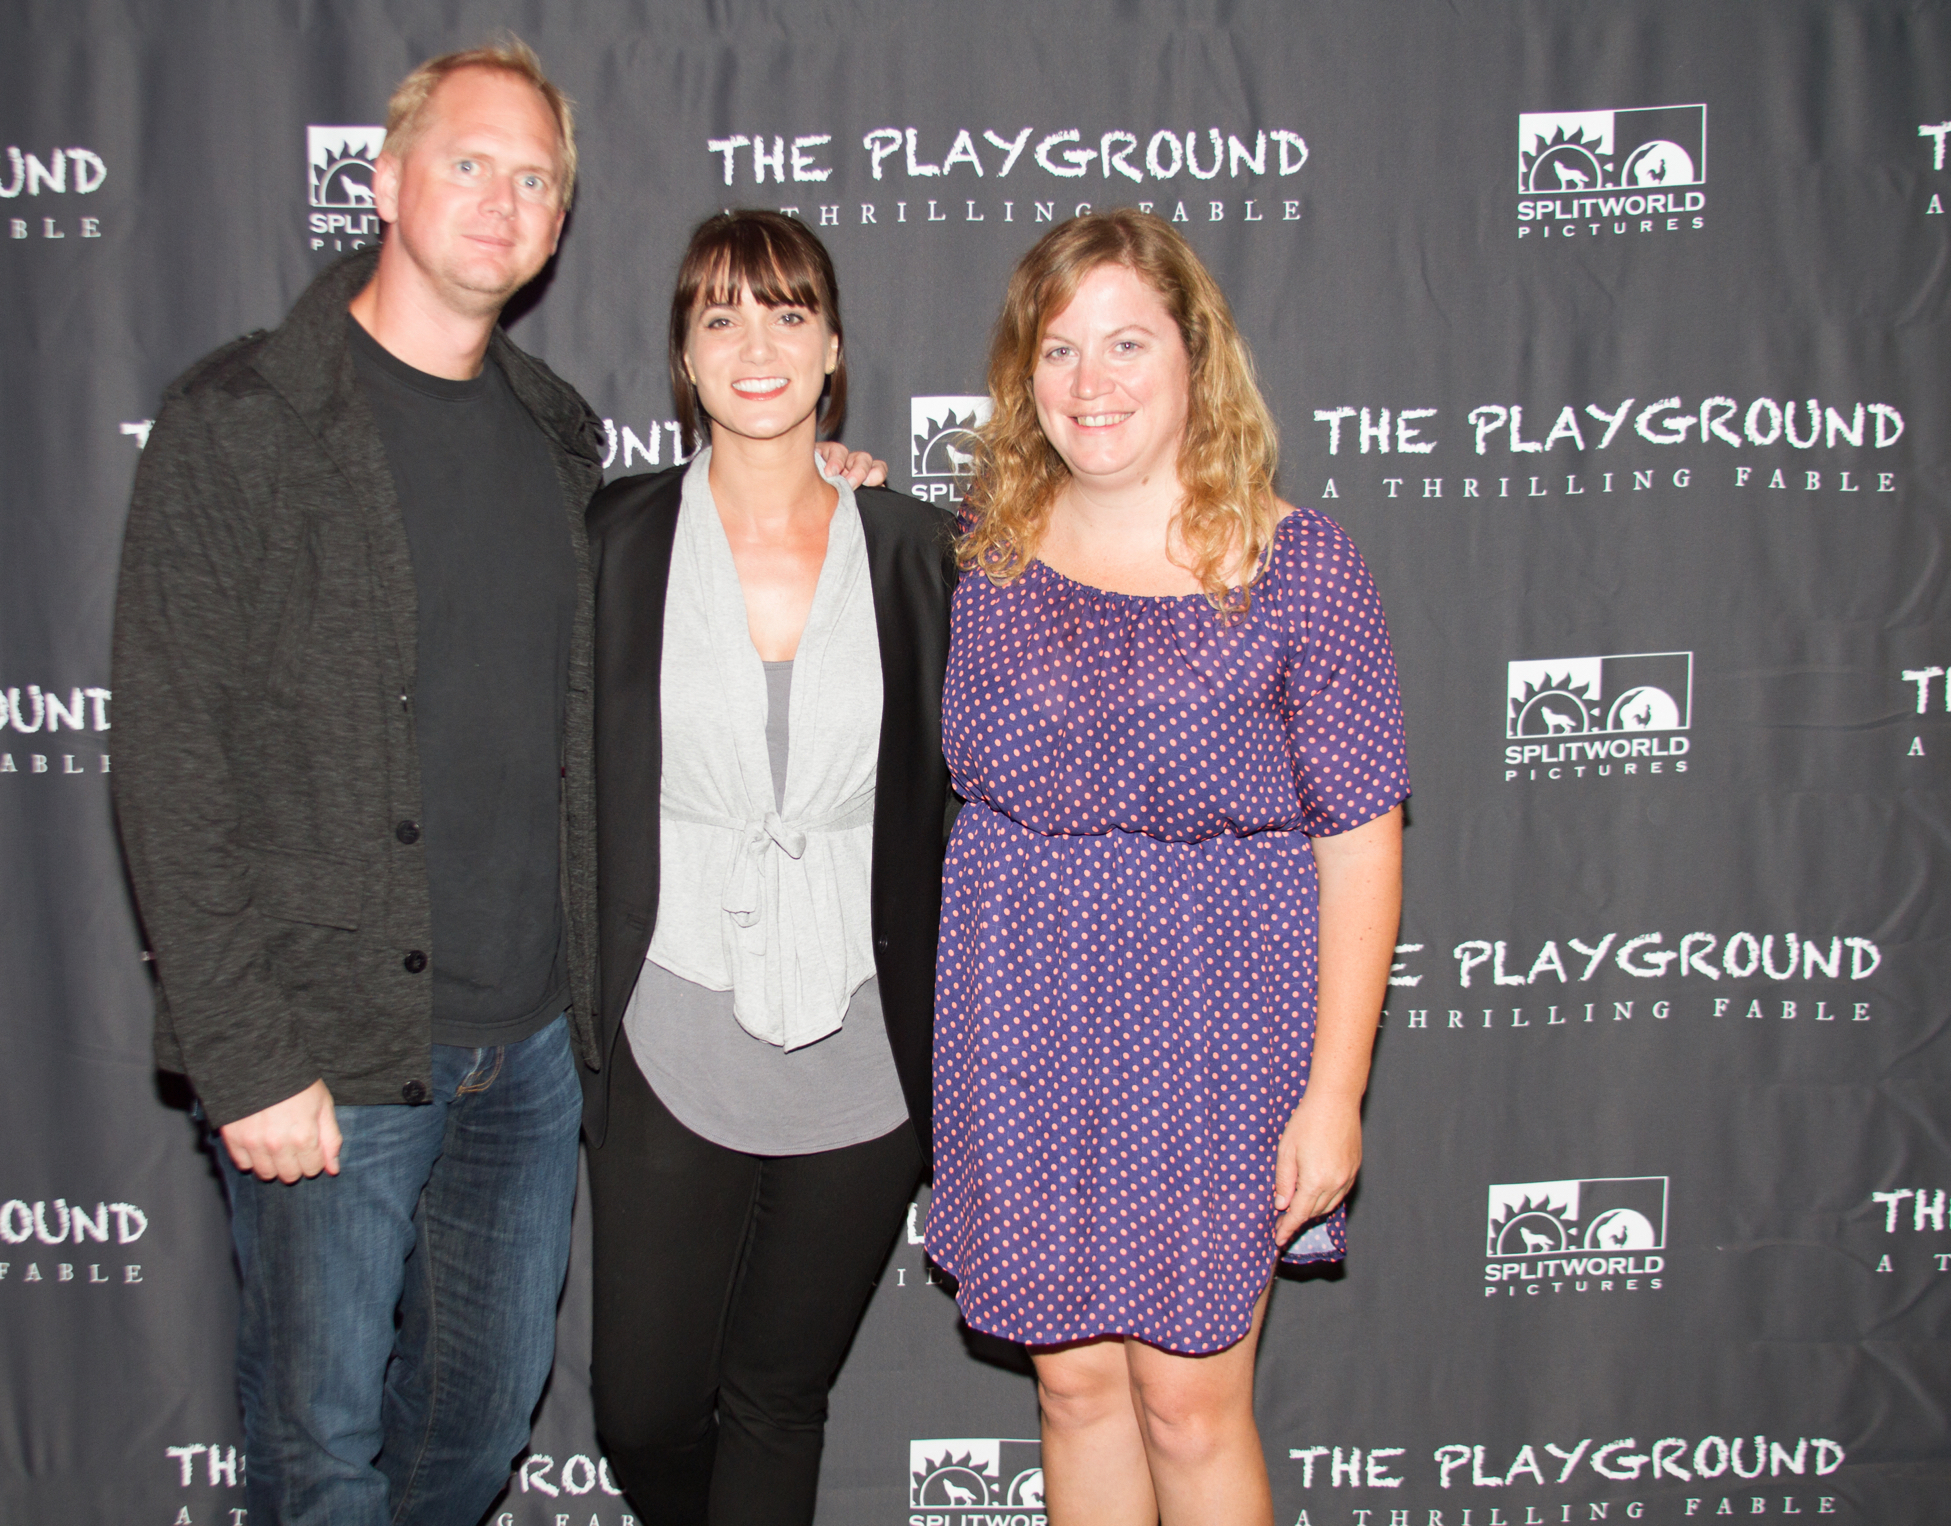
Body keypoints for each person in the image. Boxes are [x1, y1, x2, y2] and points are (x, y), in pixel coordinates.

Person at [111, 43, 883, 1526]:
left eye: (535, 178)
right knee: (320, 1443)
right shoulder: (240, 423)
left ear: (555, 226)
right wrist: (244, 1052)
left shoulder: (556, 434)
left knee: (475, 1424)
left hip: (530, 1054)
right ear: (388, 181)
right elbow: (166, 758)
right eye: (468, 162)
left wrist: (815, 479)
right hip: (327, 1054)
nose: (501, 198)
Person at [924, 209, 1407, 1526]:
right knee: (1073, 1390)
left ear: (1197, 357)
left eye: (1127, 342)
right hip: (1019, 1019)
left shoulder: (1296, 564)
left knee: (1191, 1404)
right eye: (1061, 347)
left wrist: (1335, 1093)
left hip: (1211, 1032)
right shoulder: (979, 550)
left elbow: (1360, 837)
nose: (1092, 382)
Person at [584, 210, 954, 1525]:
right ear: (683, 356)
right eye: (721, 315)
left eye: (788, 312)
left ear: (832, 349)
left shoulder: (920, 553)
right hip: (669, 1020)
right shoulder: (609, 544)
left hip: (866, 1051)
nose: (756, 344)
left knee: (777, 1394)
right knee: (640, 1405)